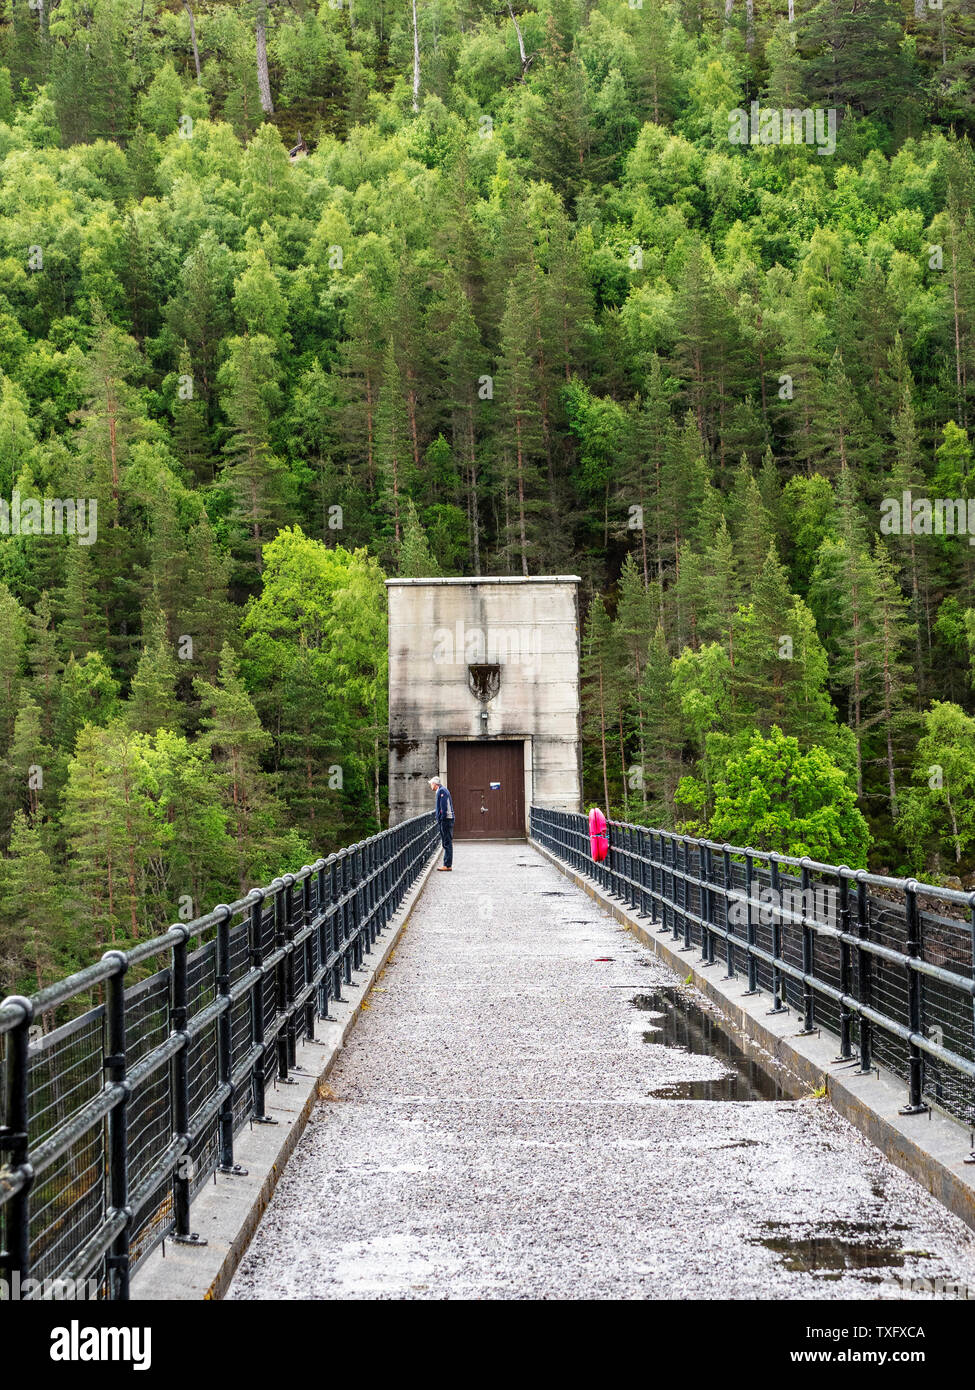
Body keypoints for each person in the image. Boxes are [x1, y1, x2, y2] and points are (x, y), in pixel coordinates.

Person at [430, 776, 454, 871]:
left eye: (431, 784)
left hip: (446, 820)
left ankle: (447, 865)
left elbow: (443, 808)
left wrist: (440, 819)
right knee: (447, 842)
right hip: (447, 819)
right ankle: (447, 864)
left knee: (447, 842)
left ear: (435, 784)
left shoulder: (442, 791)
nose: (430, 786)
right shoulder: (442, 790)